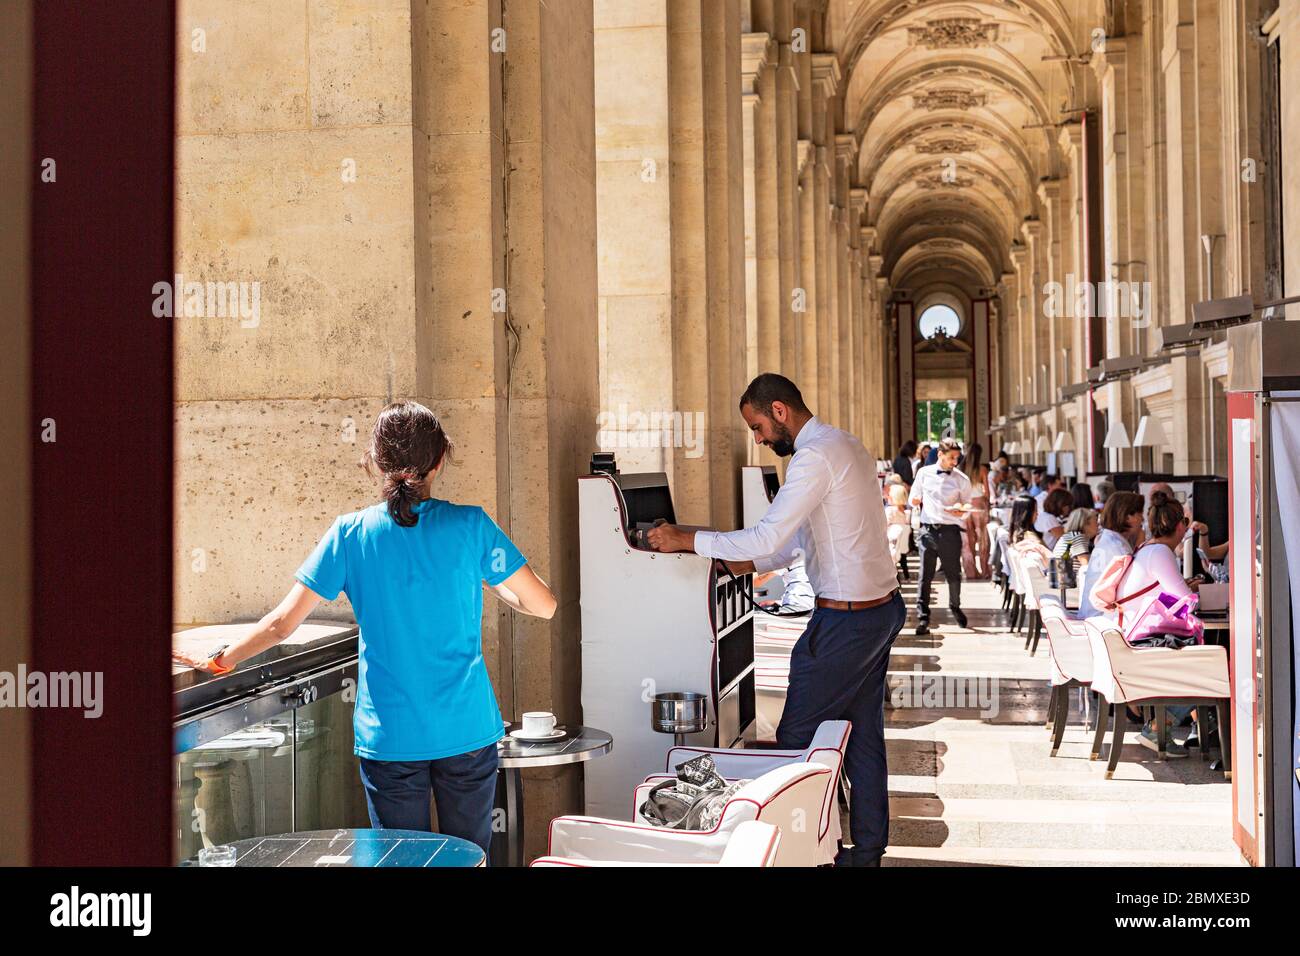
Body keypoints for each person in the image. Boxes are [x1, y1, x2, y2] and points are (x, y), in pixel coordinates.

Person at [171, 401, 558, 857]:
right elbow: (544, 605)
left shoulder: (349, 534)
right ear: (438, 462)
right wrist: (486, 581)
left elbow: (280, 625)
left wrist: (222, 658)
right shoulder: (471, 525)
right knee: (467, 858)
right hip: (466, 730)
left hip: (389, 736)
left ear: (374, 462)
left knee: (400, 858)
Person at [645, 373, 903, 867]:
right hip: (878, 612)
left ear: (780, 411)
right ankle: (866, 851)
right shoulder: (844, 444)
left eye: (759, 426)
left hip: (847, 622)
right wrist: (748, 560)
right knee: (861, 735)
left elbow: (766, 537)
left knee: (794, 745)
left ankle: (793, 854)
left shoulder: (813, 457)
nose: (759, 439)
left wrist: (686, 540)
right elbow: (797, 541)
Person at [1111, 491, 1201, 756]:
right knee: (1211, 668)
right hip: (1144, 641)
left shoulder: (1147, 548)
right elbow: (1184, 600)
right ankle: (1158, 728)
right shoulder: (1161, 552)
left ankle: (1202, 725)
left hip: (1133, 634)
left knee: (1206, 661)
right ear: (1180, 526)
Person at [910, 437, 972, 635]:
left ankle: (955, 606)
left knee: (954, 574)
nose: (955, 462)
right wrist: (915, 500)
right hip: (928, 530)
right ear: (940, 455)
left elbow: (968, 505)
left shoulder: (962, 479)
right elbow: (913, 497)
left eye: (957, 458)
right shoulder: (924, 473)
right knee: (924, 576)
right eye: (952, 458)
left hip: (950, 531)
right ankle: (923, 617)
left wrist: (962, 510)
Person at [1078, 491, 1145, 621]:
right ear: (1127, 517)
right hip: (1103, 620)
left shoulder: (1108, 540)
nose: (1142, 519)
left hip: (1092, 615)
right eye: (1139, 514)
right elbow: (1131, 590)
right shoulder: (1119, 549)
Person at [961, 442, 990, 579]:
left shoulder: (961, 469)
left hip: (966, 507)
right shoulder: (982, 469)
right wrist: (988, 505)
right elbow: (987, 492)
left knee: (968, 541)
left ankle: (971, 572)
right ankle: (985, 571)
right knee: (983, 541)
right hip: (979, 506)